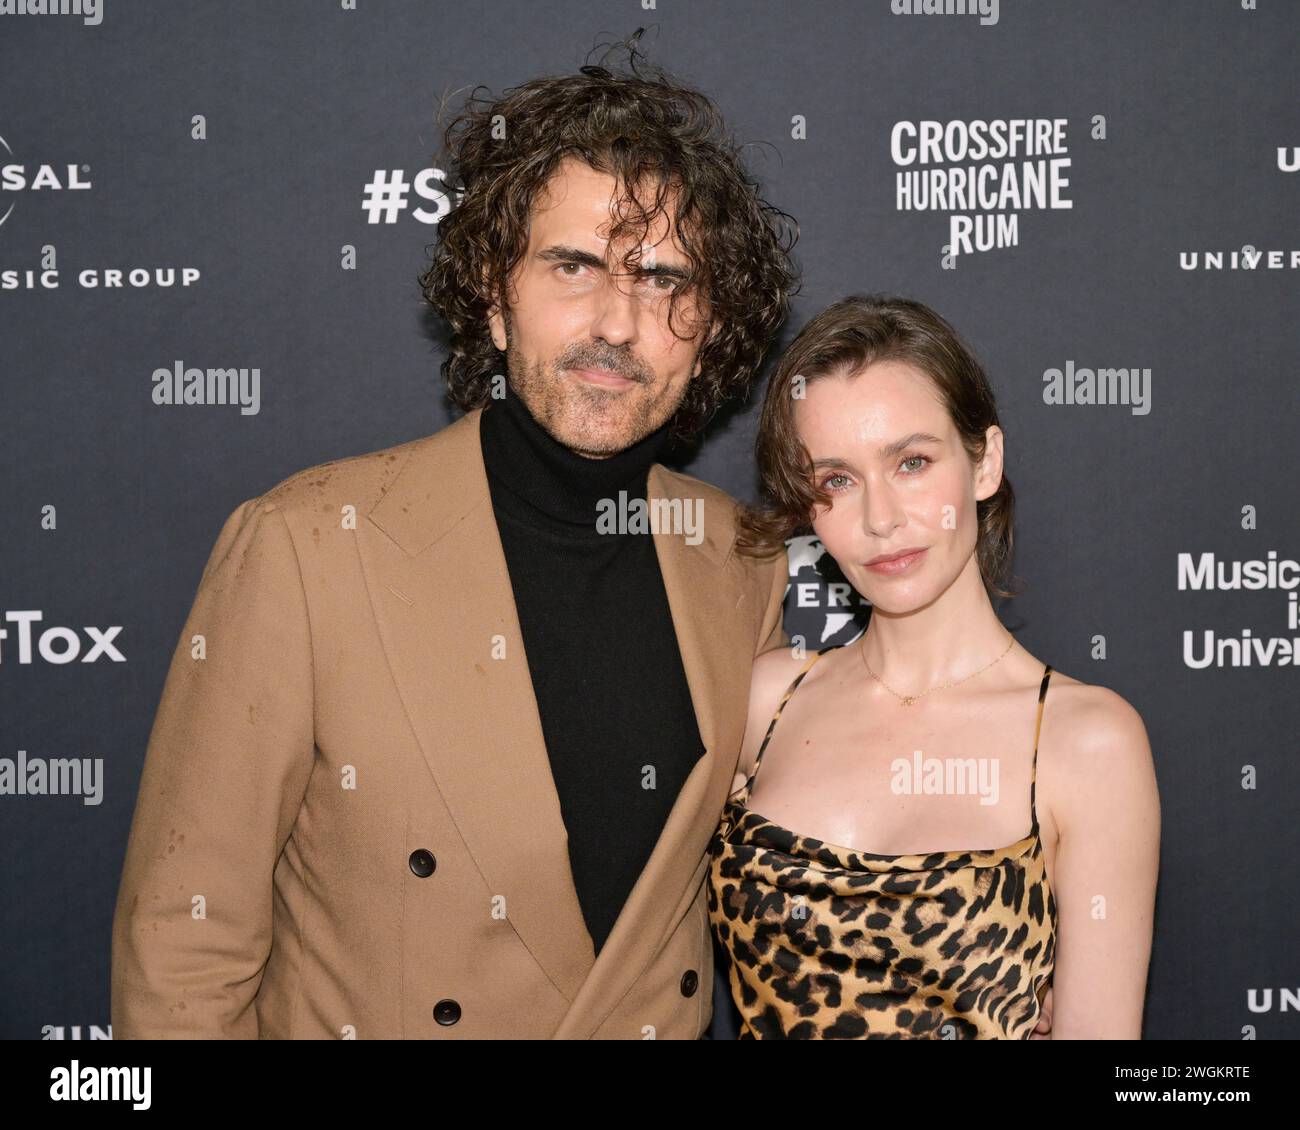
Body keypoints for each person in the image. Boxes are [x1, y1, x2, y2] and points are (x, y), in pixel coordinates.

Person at [111, 45, 799, 1039]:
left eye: (662, 279)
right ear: (492, 285)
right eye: (572, 266)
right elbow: (185, 942)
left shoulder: (738, 558)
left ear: (709, 325)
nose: (617, 320)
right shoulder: (306, 546)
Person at [708, 294, 1159, 1039]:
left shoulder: (1087, 743)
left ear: (984, 465)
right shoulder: (767, 699)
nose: (880, 519)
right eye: (836, 482)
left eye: (911, 462)